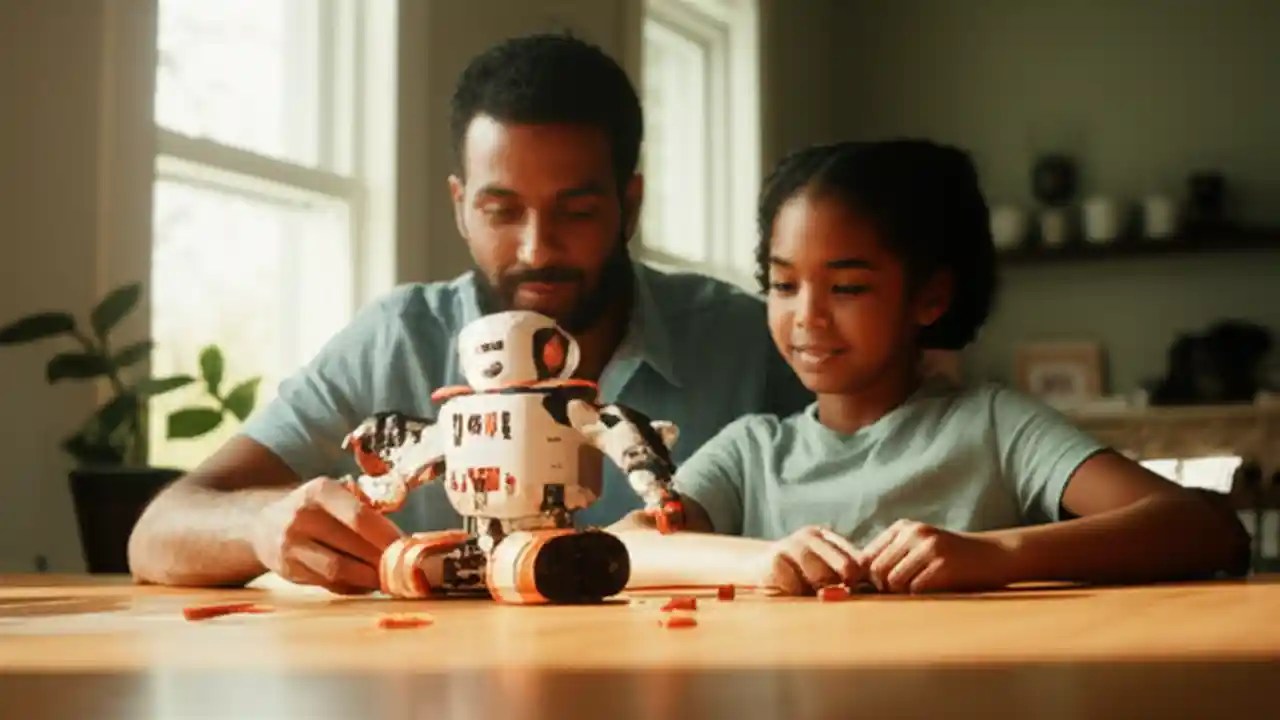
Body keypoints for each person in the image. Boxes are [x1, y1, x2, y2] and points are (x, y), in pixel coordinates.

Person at [128, 34, 811, 593]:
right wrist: (260, 525)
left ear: (629, 205)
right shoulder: (396, 338)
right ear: (460, 206)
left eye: (575, 211)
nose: (537, 249)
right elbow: (159, 530)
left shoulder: (749, 340)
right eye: (501, 211)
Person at [611, 140, 1251, 595]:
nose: (807, 317)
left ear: (930, 298)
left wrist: (993, 555)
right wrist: (762, 563)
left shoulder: (994, 426)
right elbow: (622, 548)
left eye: (848, 288)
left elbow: (1205, 527)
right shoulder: (752, 452)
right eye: (783, 285)